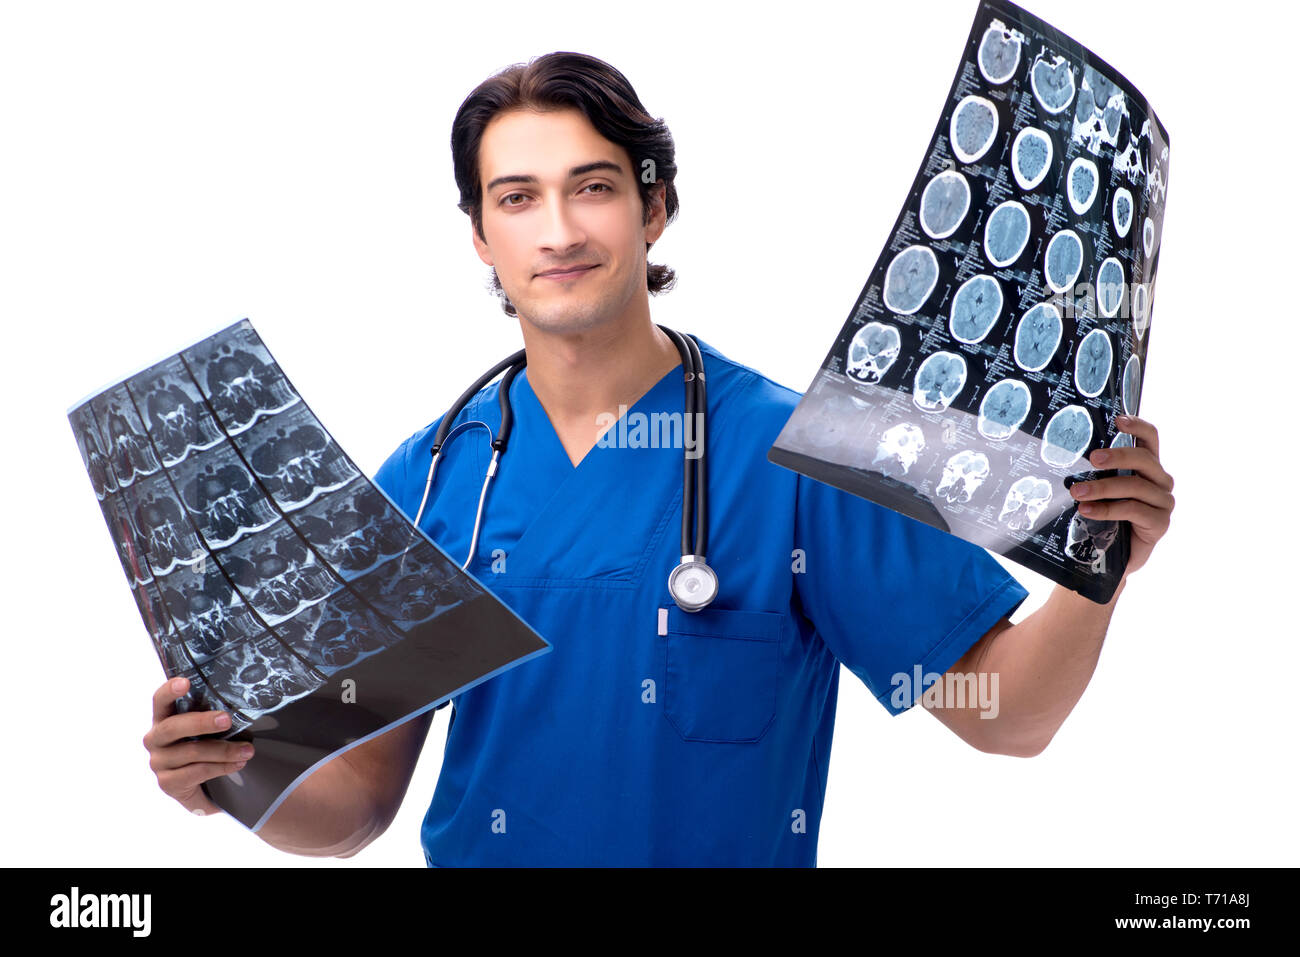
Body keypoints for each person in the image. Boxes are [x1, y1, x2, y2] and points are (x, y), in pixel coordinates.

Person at [142, 52, 1176, 866]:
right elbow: (355, 805)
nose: (557, 230)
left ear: (653, 206)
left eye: (591, 187)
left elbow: (1003, 714)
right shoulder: (435, 479)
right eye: (516, 198)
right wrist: (229, 775)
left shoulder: (798, 460)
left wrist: (1100, 564)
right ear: (479, 237)